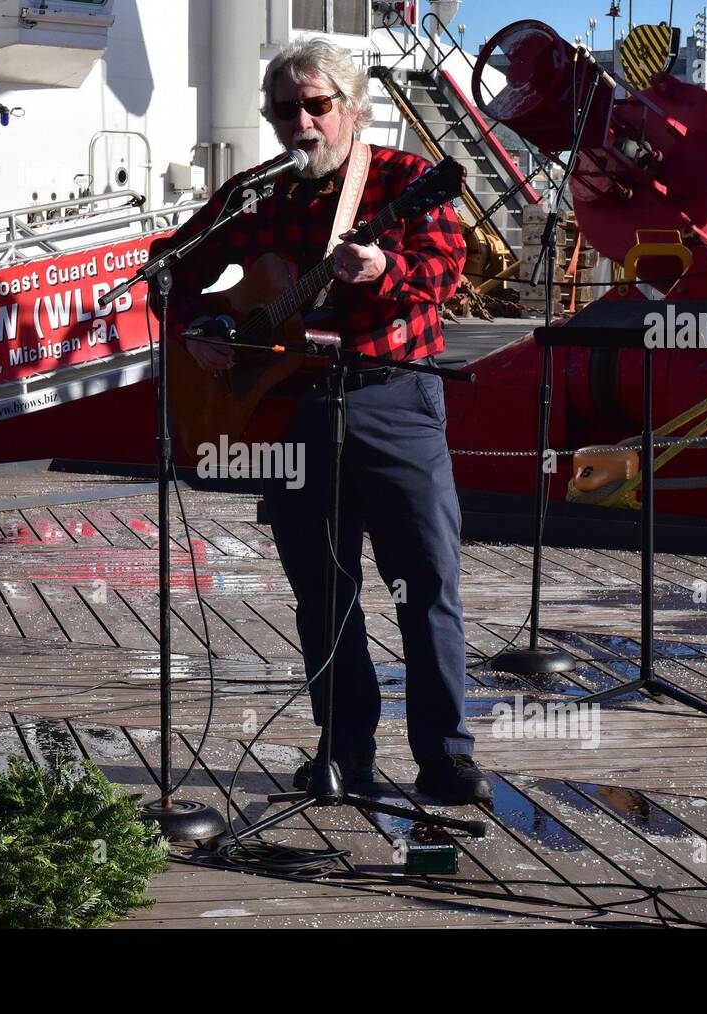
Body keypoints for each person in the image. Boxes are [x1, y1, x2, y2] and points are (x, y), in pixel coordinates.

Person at [154, 36, 490, 805]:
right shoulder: (258, 194)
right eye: (284, 110)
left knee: (425, 581)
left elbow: (444, 272)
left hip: (395, 399)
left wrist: (384, 269)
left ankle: (445, 757)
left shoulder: (405, 180)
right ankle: (343, 750)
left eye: (316, 105)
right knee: (322, 590)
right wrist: (198, 326)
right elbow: (170, 269)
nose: (300, 122)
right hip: (294, 409)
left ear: (352, 108)